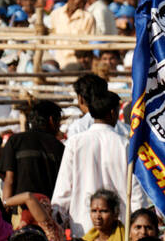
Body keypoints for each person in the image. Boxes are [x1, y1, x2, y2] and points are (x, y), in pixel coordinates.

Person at [52, 90, 127, 233]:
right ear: (113, 112)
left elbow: (64, 186)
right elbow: (135, 189)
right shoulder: (124, 144)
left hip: (82, 224)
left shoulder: (75, 142)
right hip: (119, 226)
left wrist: (58, 215)